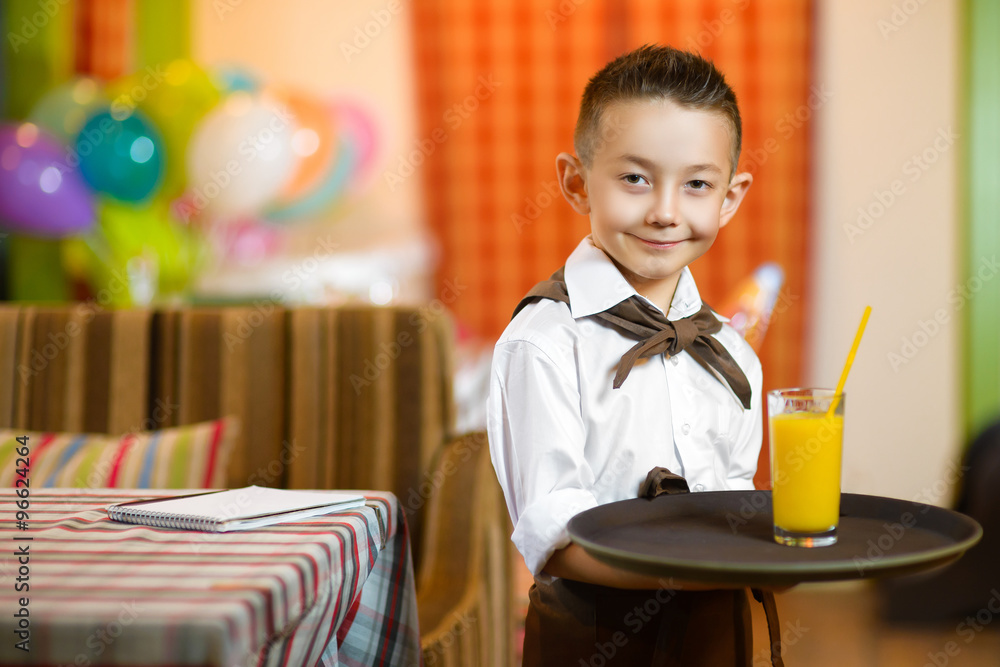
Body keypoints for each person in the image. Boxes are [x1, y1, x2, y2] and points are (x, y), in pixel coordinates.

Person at [487, 44, 765, 666]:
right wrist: (699, 571)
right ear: (576, 182)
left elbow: (735, 500)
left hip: (719, 636)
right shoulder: (544, 343)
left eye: (697, 184)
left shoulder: (735, 357)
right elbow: (555, 537)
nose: (665, 212)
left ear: (730, 196)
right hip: (595, 640)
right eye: (635, 178)